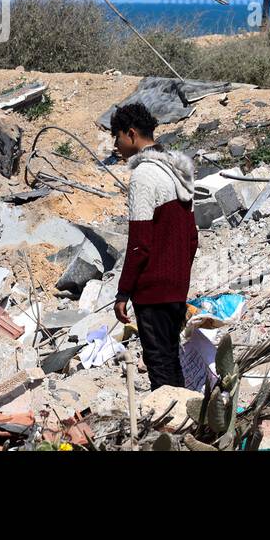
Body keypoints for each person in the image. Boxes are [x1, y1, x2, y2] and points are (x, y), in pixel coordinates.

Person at [110, 102, 198, 390]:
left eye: (117, 137)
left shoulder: (144, 175)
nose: (116, 145)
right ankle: (184, 421)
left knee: (159, 363)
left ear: (132, 134)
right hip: (176, 286)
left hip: (153, 291)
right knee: (171, 357)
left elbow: (139, 243)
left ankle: (171, 426)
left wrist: (124, 291)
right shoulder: (177, 172)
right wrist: (178, 273)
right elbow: (192, 238)